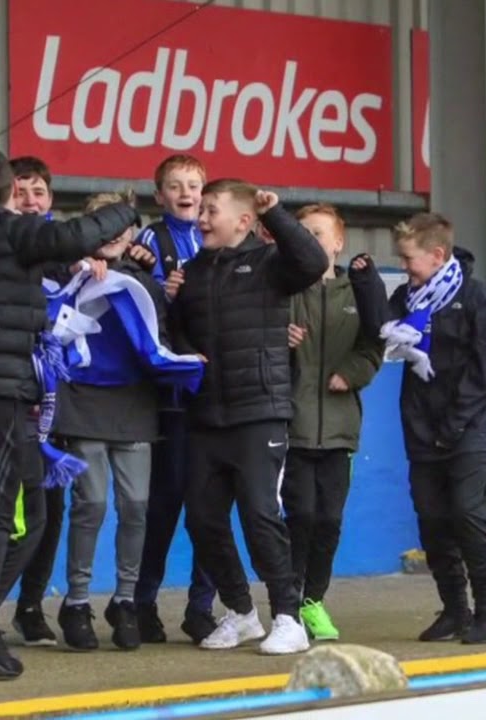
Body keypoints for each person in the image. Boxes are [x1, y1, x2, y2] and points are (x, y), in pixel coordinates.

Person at [0, 145, 139, 677]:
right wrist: (129, 208)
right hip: (0, 392)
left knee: (20, 515)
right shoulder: (10, 232)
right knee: (3, 516)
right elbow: (74, 236)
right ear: (8, 190)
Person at [170, 179, 329, 655]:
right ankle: (241, 613)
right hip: (207, 417)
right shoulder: (191, 272)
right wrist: (172, 307)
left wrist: (276, 214)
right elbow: (177, 332)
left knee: (260, 515)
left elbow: (313, 262)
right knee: (201, 519)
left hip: (260, 412)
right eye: (200, 209)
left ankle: (289, 617)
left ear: (243, 220)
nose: (200, 218)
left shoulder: (269, 263)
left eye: (210, 210)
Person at [347, 212, 486, 645]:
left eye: (409, 258)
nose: (403, 267)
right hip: (423, 430)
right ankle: (455, 610)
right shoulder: (408, 298)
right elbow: (380, 331)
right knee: (432, 520)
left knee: (468, 514)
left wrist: (455, 423)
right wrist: (365, 284)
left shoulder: (480, 301)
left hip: (470, 429)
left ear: (438, 255)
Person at [46, 191, 183, 652]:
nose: (113, 237)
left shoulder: (141, 281)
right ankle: (77, 601)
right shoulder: (64, 275)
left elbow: (158, 340)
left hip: (135, 406)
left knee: (137, 505)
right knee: (92, 505)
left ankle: (124, 600)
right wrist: (76, 274)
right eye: (101, 226)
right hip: (84, 402)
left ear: (129, 235)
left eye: (121, 229)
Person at [281, 204, 384, 642]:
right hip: (293, 428)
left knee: (329, 520)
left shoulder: (356, 292)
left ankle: (313, 601)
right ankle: (286, 603)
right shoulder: (285, 290)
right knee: (299, 515)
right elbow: (258, 342)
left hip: (340, 429)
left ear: (338, 242)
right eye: (303, 233)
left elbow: (374, 346)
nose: (311, 239)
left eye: (319, 233)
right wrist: (279, 338)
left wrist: (353, 372)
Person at [132, 153, 218, 644]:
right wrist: (162, 290)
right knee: (164, 505)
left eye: (194, 185)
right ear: (159, 194)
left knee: (210, 507)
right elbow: (142, 315)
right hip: (174, 399)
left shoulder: (221, 239)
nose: (186, 193)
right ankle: (143, 603)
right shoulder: (150, 241)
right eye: (175, 185)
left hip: (218, 397)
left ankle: (201, 607)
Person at [5, 154, 66, 647]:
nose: (30, 201)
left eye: (38, 193)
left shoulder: (68, 253)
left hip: (57, 402)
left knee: (51, 509)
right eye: (20, 192)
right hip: (7, 399)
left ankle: (30, 607)